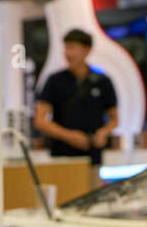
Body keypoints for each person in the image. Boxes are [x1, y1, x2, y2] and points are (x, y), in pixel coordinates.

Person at [33, 28, 119, 166]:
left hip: (93, 158)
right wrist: (70, 136)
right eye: (66, 48)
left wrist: (103, 133)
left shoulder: (102, 81)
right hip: (61, 158)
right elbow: (40, 120)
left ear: (87, 50)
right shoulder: (55, 80)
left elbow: (115, 119)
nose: (68, 53)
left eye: (72, 48)